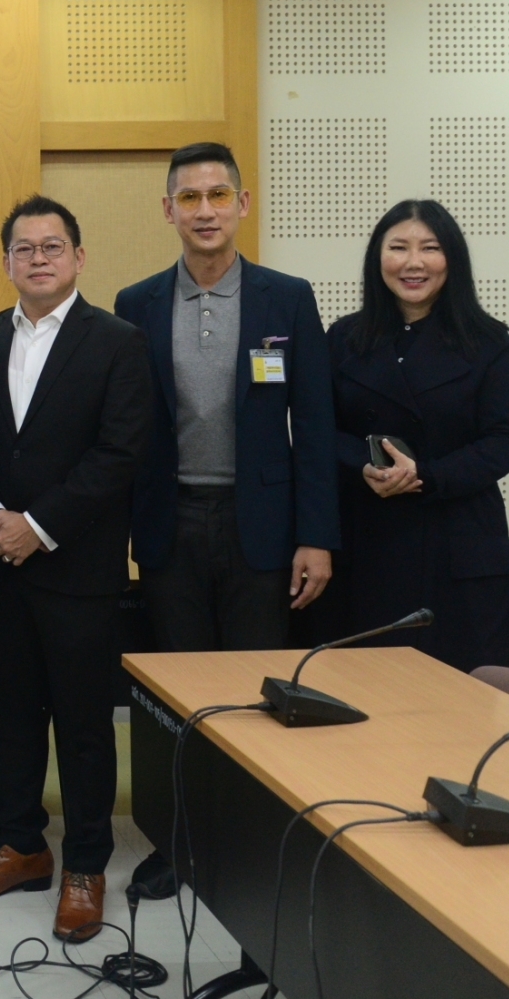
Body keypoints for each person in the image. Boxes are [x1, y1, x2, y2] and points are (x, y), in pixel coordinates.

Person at [114, 141, 337, 906]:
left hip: (263, 529)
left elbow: (313, 424)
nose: (204, 210)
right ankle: (180, 844)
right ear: (168, 209)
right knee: (180, 695)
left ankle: (250, 845)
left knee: (253, 693)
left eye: (219, 195)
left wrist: (317, 534)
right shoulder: (136, 302)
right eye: (189, 197)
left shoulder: (287, 297)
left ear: (243, 204)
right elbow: (130, 429)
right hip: (171, 523)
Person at [0, 197, 151, 945]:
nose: (38, 259)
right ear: (5, 262)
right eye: (23, 248)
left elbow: (120, 454)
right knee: (13, 717)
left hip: (79, 567)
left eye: (52, 246)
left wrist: (42, 525)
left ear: (79, 257)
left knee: (84, 726)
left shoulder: (119, 341)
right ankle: (21, 845)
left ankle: (86, 865)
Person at [328, 200, 509, 671]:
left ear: (452, 259)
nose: (413, 262)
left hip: (459, 542)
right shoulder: (343, 339)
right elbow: (320, 431)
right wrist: (360, 465)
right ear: (378, 258)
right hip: (367, 538)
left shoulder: (488, 343)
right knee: (369, 697)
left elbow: (508, 438)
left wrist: (428, 475)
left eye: (430, 248)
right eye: (398, 247)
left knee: (470, 699)